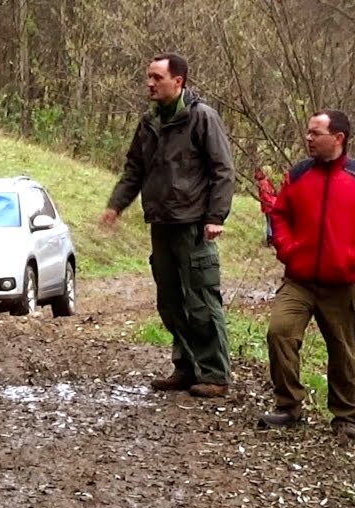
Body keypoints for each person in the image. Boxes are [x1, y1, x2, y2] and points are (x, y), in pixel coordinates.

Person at [101, 52, 235, 398]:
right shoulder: (149, 123)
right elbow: (134, 170)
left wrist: (215, 217)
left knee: (202, 301)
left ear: (178, 82)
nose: (150, 83)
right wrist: (116, 205)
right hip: (160, 223)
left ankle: (215, 374)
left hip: (193, 225)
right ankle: (186, 367)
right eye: (148, 77)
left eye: (157, 78)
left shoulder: (202, 118)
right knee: (170, 302)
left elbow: (222, 170)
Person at [260, 109, 355, 443]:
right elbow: (280, 215)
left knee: (344, 351)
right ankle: (289, 406)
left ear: (338, 138)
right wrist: (287, 249)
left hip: (344, 283)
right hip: (300, 280)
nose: (308, 138)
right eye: (307, 132)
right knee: (280, 332)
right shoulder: (299, 173)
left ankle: (346, 419)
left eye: (315, 133)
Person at [254, 167, 279, 246]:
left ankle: (271, 238)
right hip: (269, 206)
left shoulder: (265, 182)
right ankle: (270, 239)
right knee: (270, 223)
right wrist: (273, 202)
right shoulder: (264, 183)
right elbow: (265, 196)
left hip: (268, 205)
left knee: (270, 222)